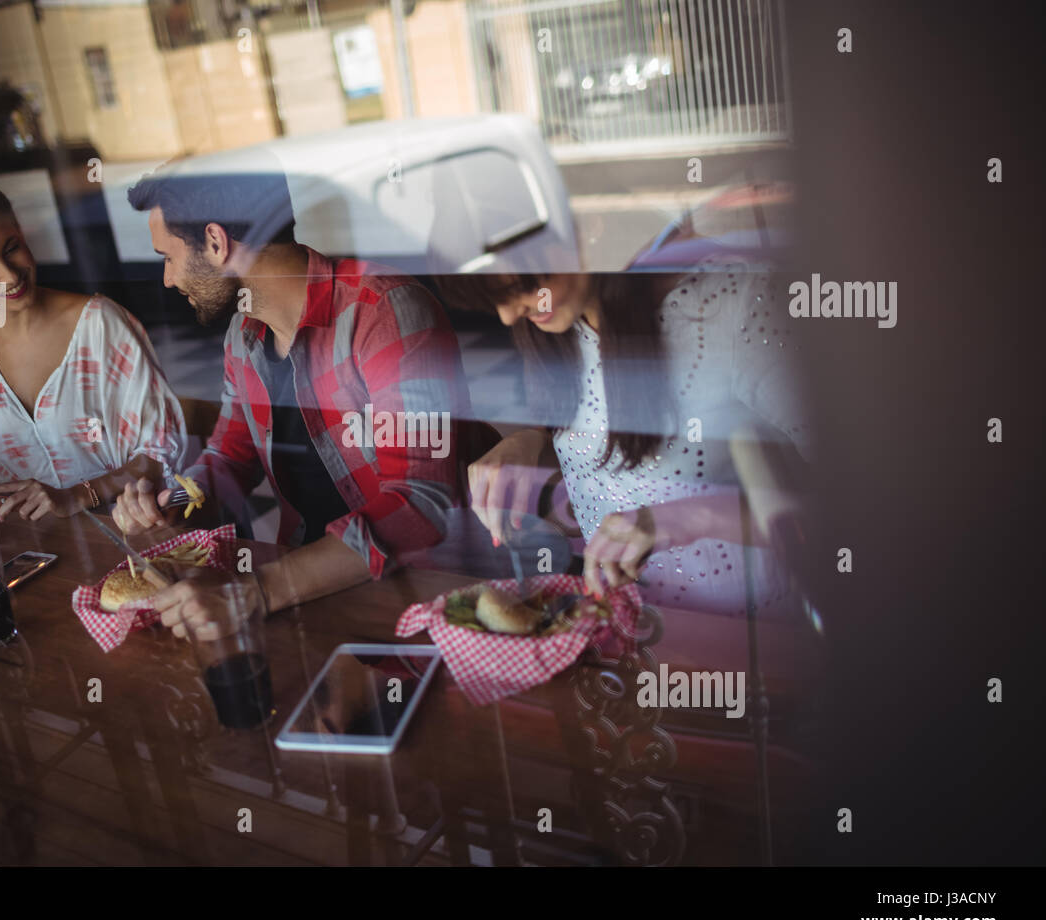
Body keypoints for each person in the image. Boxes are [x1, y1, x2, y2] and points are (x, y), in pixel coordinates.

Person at [112, 156, 469, 641]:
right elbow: (229, 458)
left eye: (168, 257)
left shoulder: (386, 311)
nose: (168, 280)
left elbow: (419, 503)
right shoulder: (244, 333)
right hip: (301, 593)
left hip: (412, 598)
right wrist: (170, 498)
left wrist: (257, 593)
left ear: (216, 243)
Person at [442, 258, 811, 617]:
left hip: (744, 637)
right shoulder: (557, 321)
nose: (507, 316)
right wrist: (530, 442)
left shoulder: (735, 308)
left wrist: (695, 516)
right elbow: (610, 447)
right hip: (626, 621)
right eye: (495, 299)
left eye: (521, 288)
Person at [0, 176, 188, 522]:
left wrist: (75, 496)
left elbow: (158, 457)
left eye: (12, 247)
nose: (11, 276)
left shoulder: (100, 325)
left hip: (127, 536)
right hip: (44, 551)